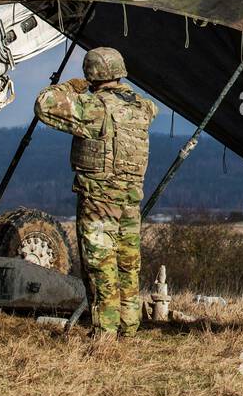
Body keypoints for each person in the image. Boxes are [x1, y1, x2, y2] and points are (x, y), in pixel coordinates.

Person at [34, 47, 156, 337]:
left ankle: (105, 331)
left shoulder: (95, 108)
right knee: (128, 263)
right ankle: (128, 326)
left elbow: (44, 105)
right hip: (131, 199)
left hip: (99, 200)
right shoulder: (141, 107)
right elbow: (152, 109)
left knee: (100, 264)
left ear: (92, 74)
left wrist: (70, 87)